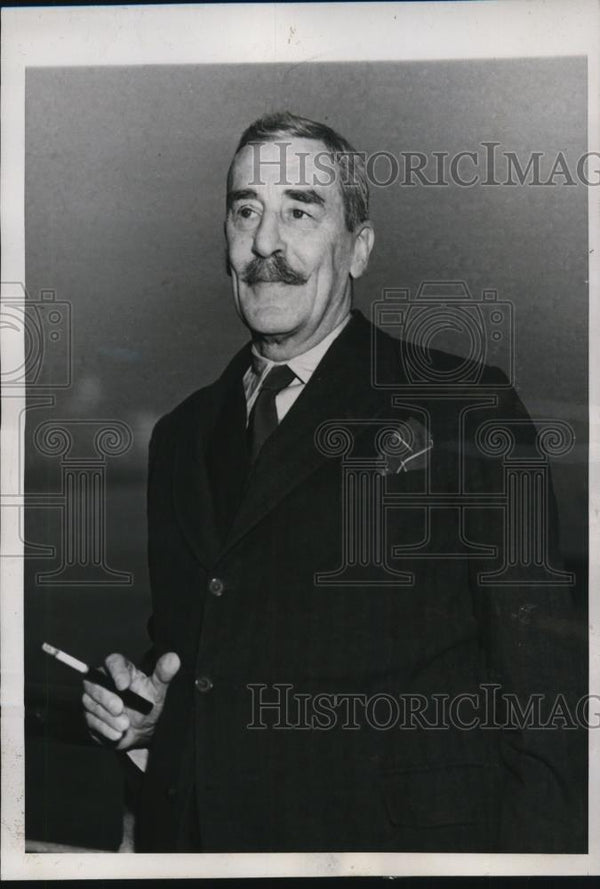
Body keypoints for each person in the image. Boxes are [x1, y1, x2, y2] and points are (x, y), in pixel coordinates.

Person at [82, 112, 586, 853]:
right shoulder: (180, 438)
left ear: (359, 248)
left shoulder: (464, 407)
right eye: (246, 211)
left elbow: (545, 698)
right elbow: (202, 659)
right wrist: (157, 718)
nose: (266, 244)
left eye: (300, 212)